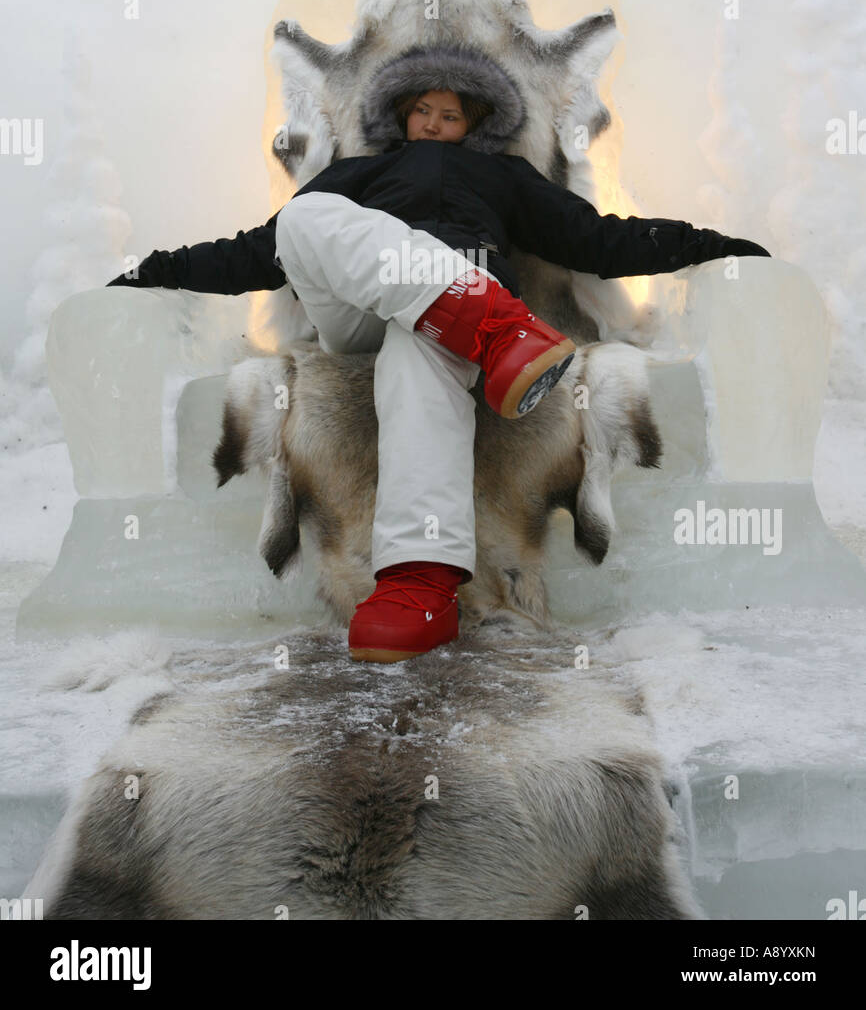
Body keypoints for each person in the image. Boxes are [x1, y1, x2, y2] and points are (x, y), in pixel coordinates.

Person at [107, 42, 770, 664]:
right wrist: (155, 269)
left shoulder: (506, 176)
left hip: (442, 315)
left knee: (419, 341)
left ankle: (420, 585)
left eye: (449, 114)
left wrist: (709, 244)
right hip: (362, 302)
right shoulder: (357, 172)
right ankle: (493, 327)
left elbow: (594, 238)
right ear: (401, 116)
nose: (431, 122)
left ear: (474, 124)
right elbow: (260, 249)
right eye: (420, 109)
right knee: (302, 222)